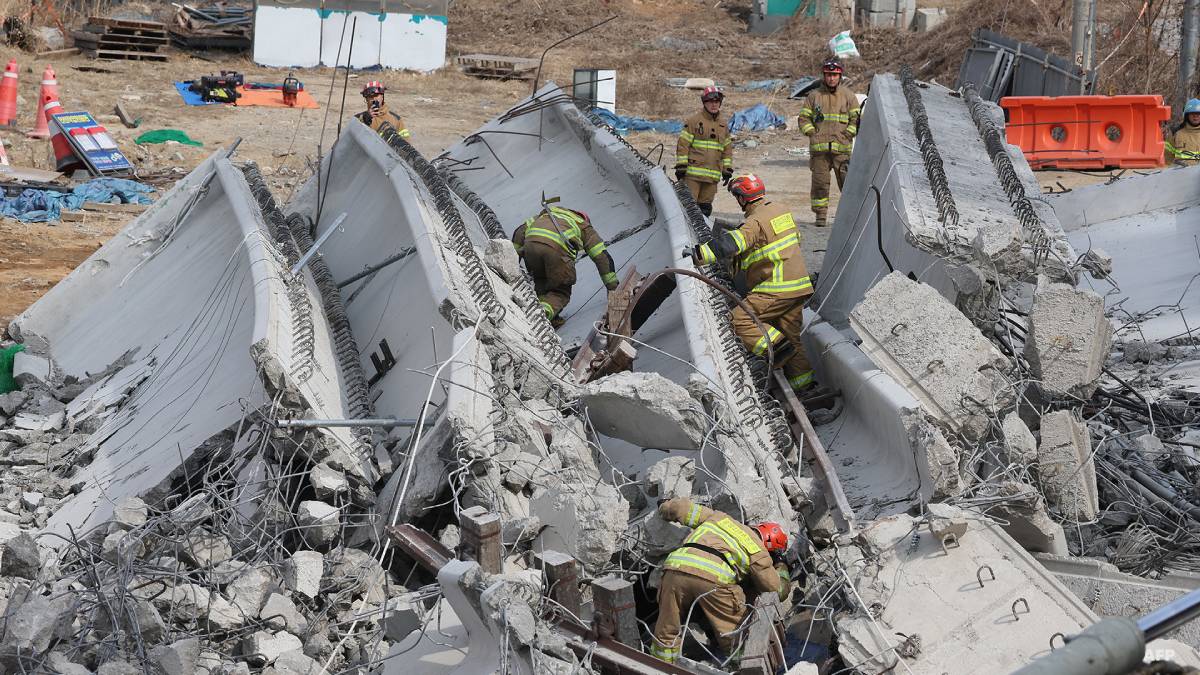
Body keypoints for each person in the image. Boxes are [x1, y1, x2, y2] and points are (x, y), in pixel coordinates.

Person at [691, 174, 816, 392]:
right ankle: (805, 389)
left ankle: (777, 347)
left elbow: (731, 244)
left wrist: (698, 254)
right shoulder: (781, 209)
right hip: (799, 286)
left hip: (776, 289)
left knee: (738, 320)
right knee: (792, 336)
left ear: (741, 197)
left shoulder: (754, 221)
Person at [650, 497, 790, 664]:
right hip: (713, 581)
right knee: (736, 636)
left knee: (666, 629)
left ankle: (661, 666)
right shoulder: (758, 550)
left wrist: (664, 505)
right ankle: (741, 667)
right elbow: (775, 589)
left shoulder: (721, 518)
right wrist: (781, 565)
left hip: (675, 568)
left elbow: (681, 508)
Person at [512, 204, 619, 327]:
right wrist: (613, 289)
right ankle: (541, 316)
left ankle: (550, 317)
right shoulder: (583, 225)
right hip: (556, 251)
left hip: (530, 248)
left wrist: (513, 260)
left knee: (541, 282)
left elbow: (520, 232)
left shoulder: (545, 214)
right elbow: (601, 257)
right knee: (560, 291)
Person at [797, 59, 860, 226]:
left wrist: (847, 134)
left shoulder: (848, 96)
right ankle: (820, 217)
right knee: (820, 184)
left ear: (840, 76)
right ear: (824, 76)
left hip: (842, 150)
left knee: (848, 185)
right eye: (828, 75)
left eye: (834, 75)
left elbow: (857, 119)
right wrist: (812, 133)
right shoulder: (814, 96)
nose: (831, 78)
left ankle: (851, 217)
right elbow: (803, 119)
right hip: (820, 152)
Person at [676, 86, 733, 217]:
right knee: (688, 208)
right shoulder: (694, 122)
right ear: (704, 103)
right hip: (692, 176)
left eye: (717, 102)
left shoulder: (723, 125)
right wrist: (681, 166)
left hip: (712, 177)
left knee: (705, 210)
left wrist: (727, 169)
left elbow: (727, 149)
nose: (714, 105)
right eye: (711, 102)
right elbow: (683, 144)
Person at [1166, 98, 1200, 165]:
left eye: (1198, 114)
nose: (1195, 116)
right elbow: (1167, 158)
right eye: (1192, 114)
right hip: (1182, 174)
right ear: (1187, 116)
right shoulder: (1175, 133)